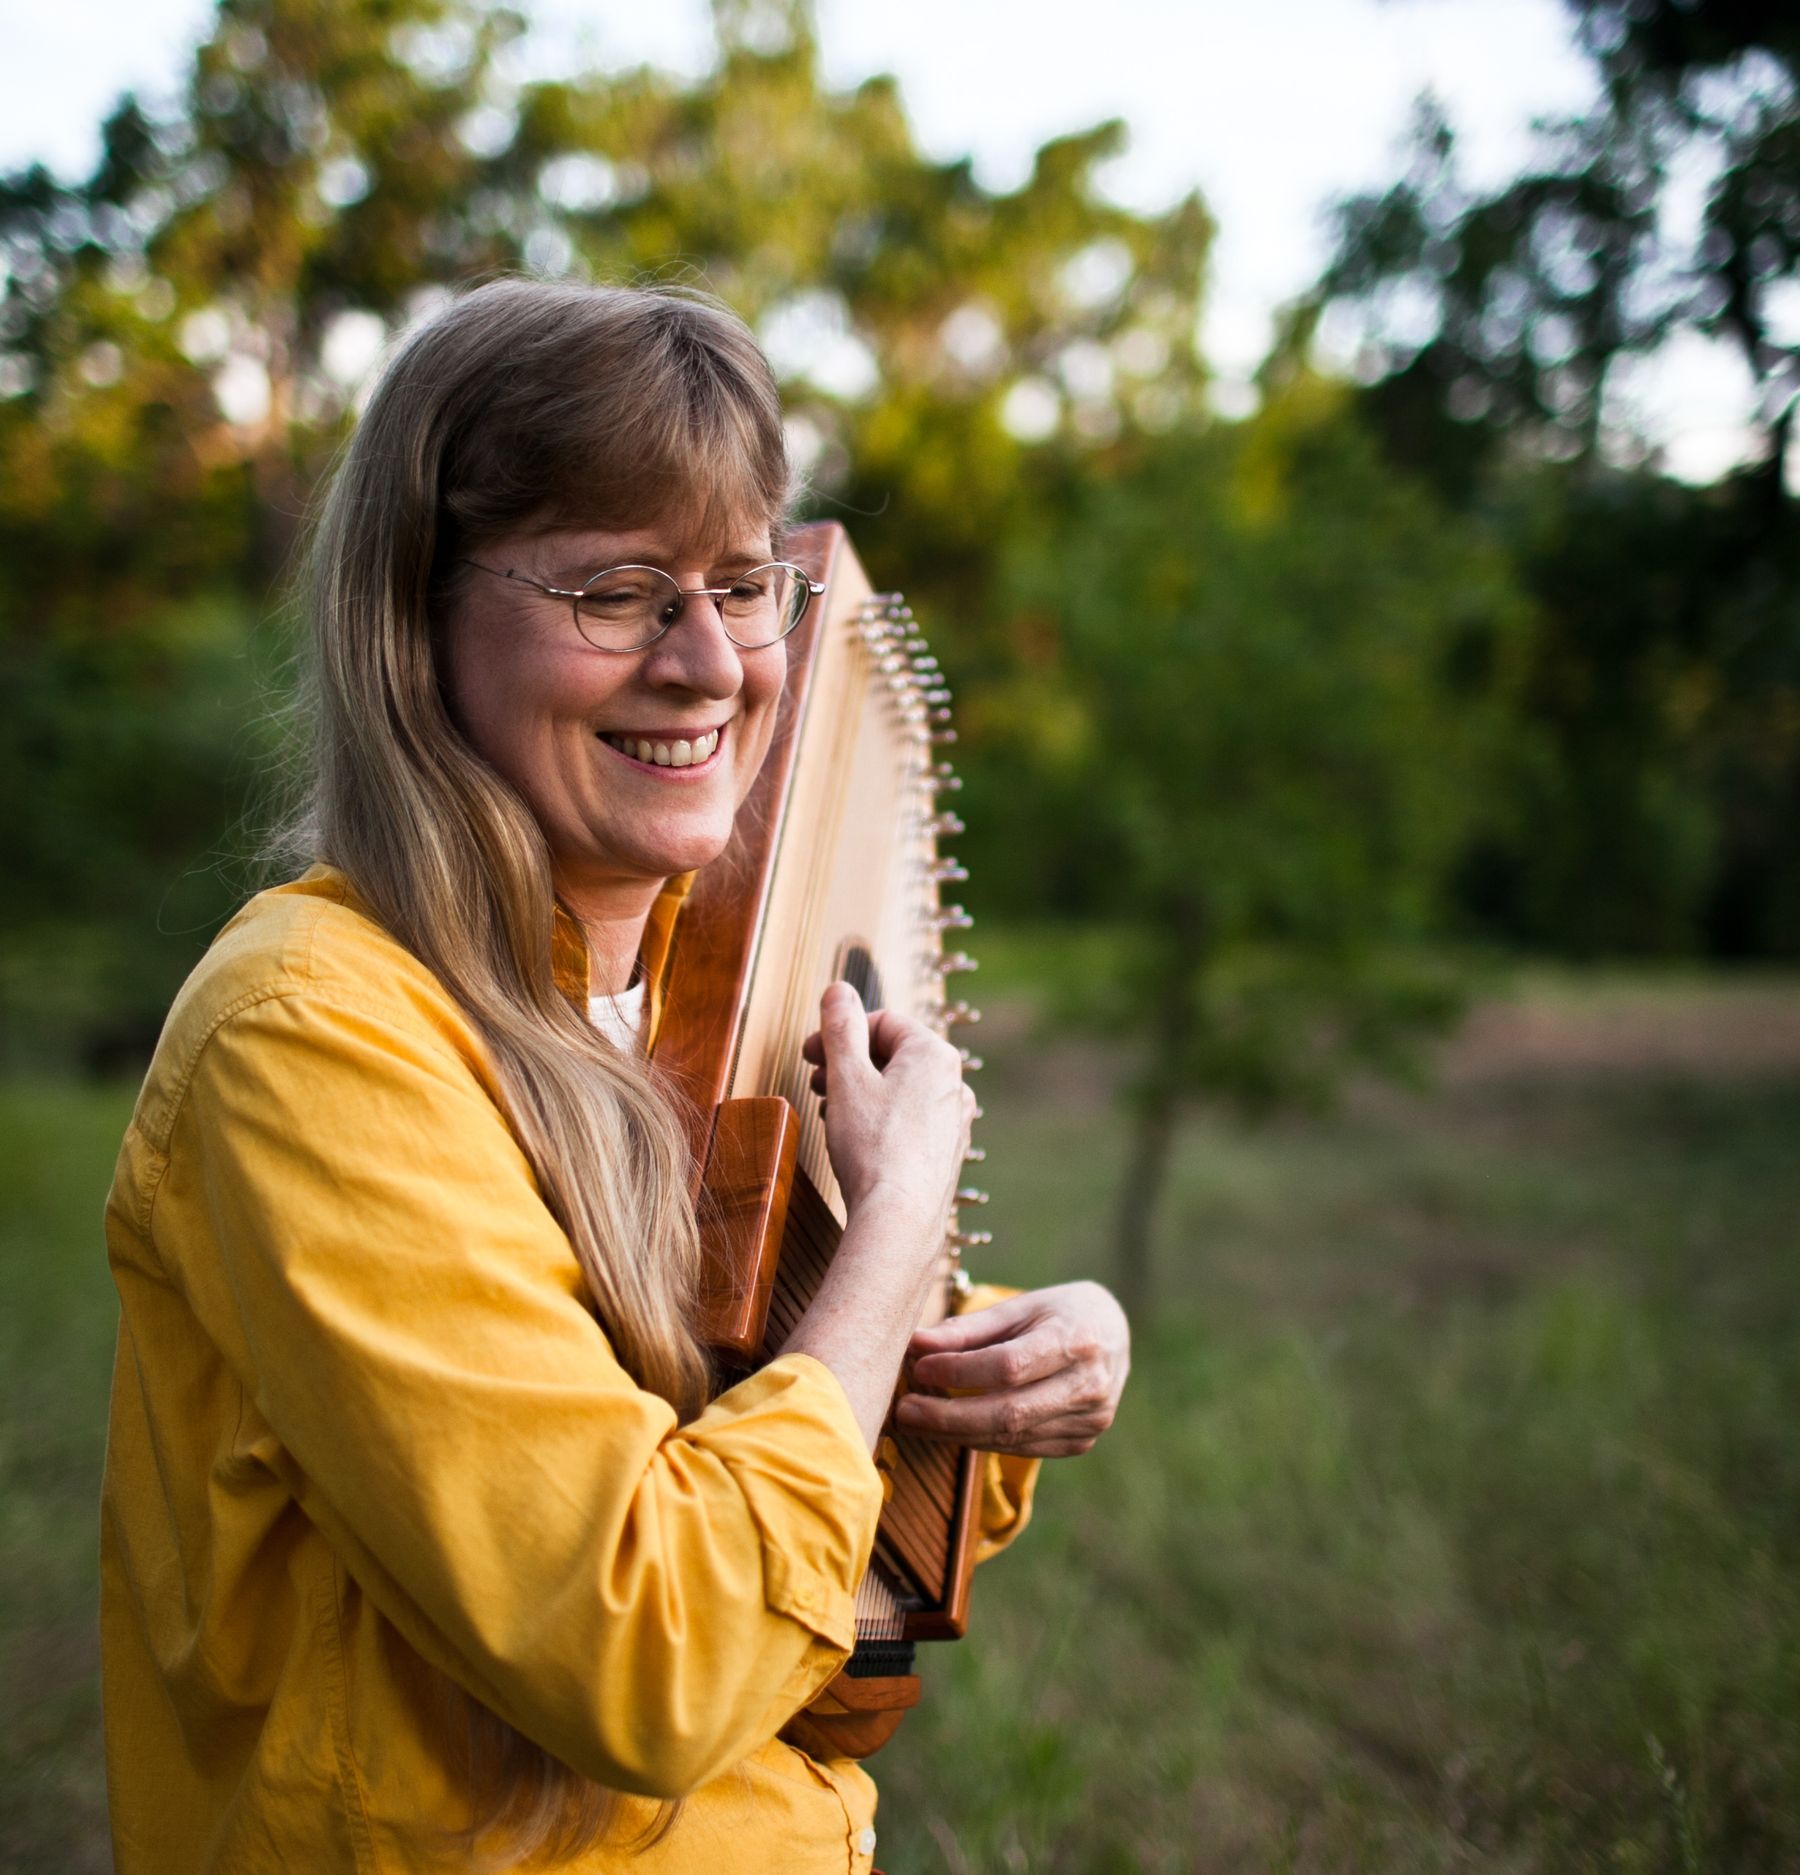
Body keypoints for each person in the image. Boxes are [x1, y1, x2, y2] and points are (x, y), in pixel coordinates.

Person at [99, 279, 1131, 1874]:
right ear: (412, 614)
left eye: (741, 583)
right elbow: (649, 1655)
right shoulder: (313, 1037)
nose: (711, 663)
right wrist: (906, 1211)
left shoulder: (686, 998)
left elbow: (821, 1478)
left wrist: (1016, 1358)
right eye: (618, 590)